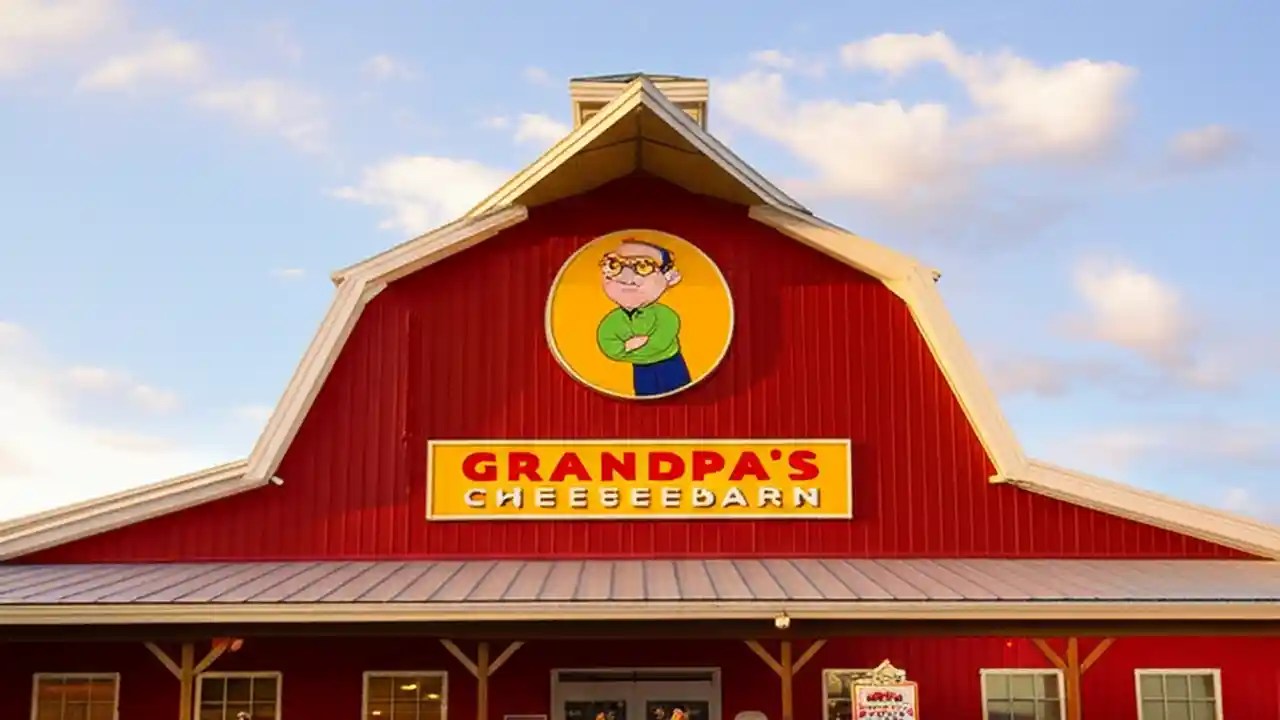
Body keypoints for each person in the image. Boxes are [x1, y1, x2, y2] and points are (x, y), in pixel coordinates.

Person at [595, 240, 692, 397]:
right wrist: (626, 348)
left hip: (670, 363)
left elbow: (660, 342)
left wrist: (630, 348)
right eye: (614, 265)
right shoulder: (612, 322)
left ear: (670, 277)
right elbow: (608, 346)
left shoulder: (665, 315)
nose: (626, 277)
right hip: (640, 369)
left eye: (643, 266)